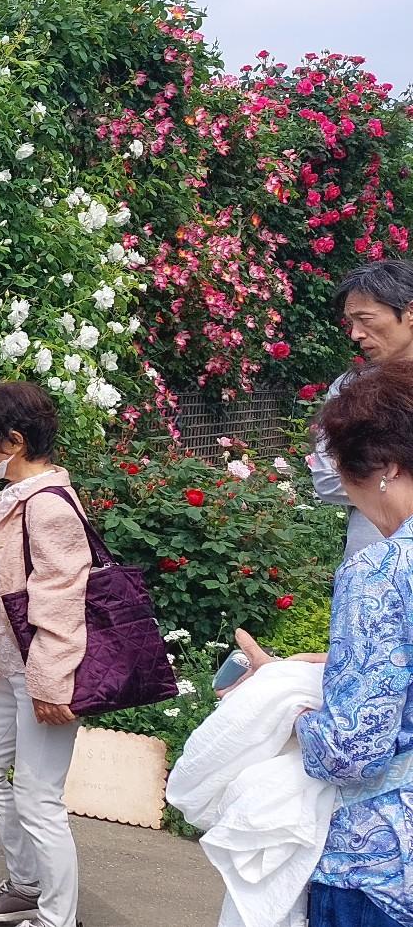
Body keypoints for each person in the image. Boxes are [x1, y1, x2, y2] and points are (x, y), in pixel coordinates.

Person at [236, 358, 413, 927]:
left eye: (340, 470)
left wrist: (277, 703)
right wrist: (338, 663)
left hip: (381, 863)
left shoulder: (382, 571)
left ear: (383, 467)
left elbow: (352, 750)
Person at [0, 382, 91, 927]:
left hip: (45, 675)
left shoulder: (48, 507)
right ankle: (29, 882)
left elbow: (61, 602)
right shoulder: (18, 499)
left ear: (12, 441)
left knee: (39, 798)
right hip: (17, 673)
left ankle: (58, 918)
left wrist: (52, 686)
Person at [311, 260, 413, 560]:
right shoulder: (350, 390)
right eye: (351, 322)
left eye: (365, 319)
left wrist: (382, 479)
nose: (356, 334)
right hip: (374, 563)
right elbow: (328, 478)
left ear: (410, 313)